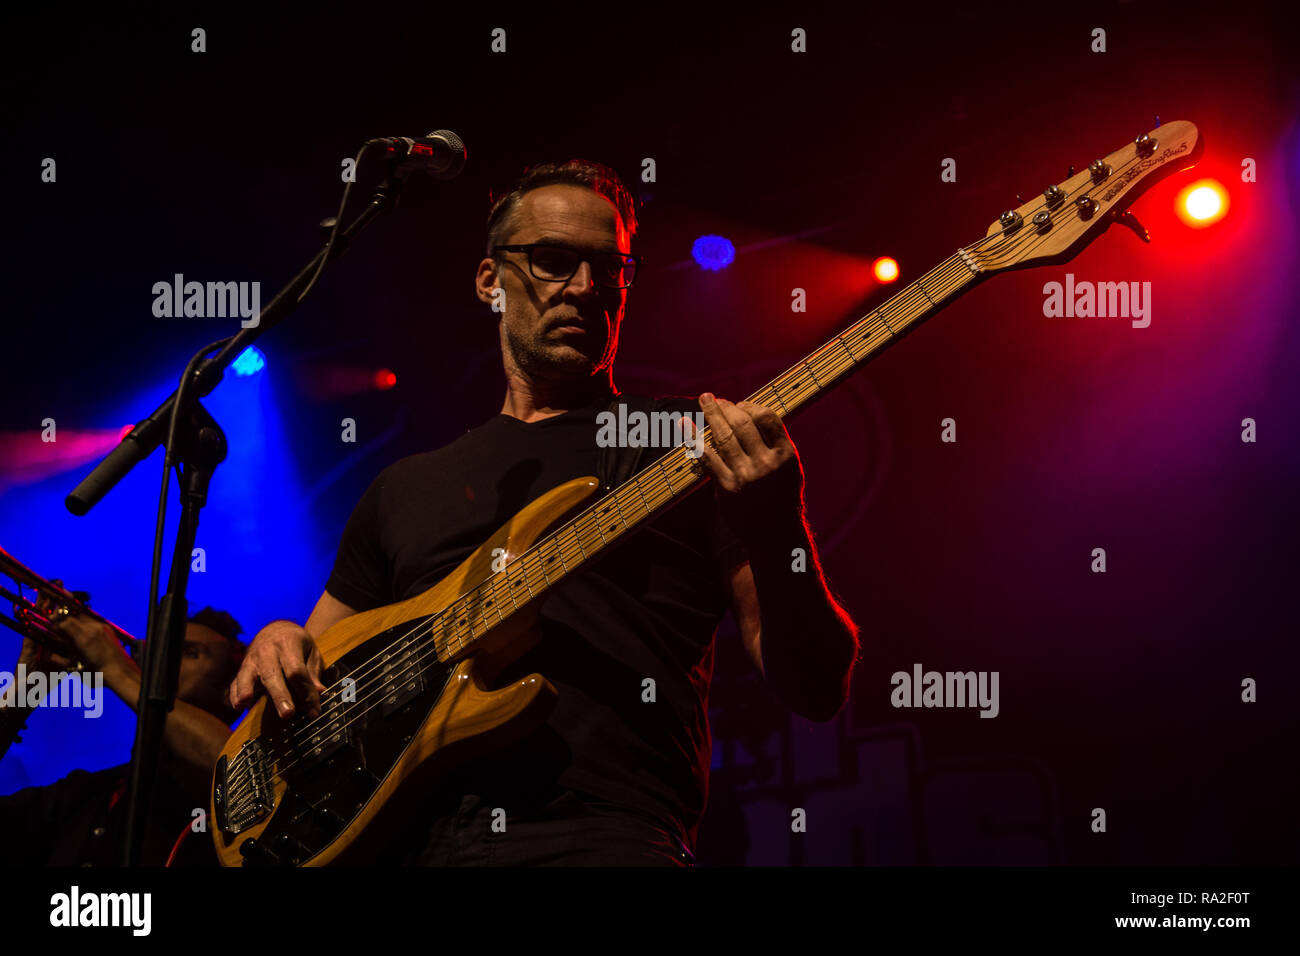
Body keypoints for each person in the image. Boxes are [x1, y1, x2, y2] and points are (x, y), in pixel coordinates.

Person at [228, 159, 860, 866]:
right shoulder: (404, 487)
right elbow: (319, 668)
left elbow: (815, 688)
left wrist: (779, 522)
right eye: (556, 262)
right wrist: (281, 635)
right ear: (489, 281)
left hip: (602, 841)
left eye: (609, 268)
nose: (587, 289)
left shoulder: (689, 442)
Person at [0, 607, 246, 866]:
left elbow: (233, 762)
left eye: (189, 652)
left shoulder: (226, 798)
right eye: (162, 647)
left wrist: (113, 666)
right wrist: (22, 693)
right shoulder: (87, 793)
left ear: (231, 694)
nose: (163, 659)